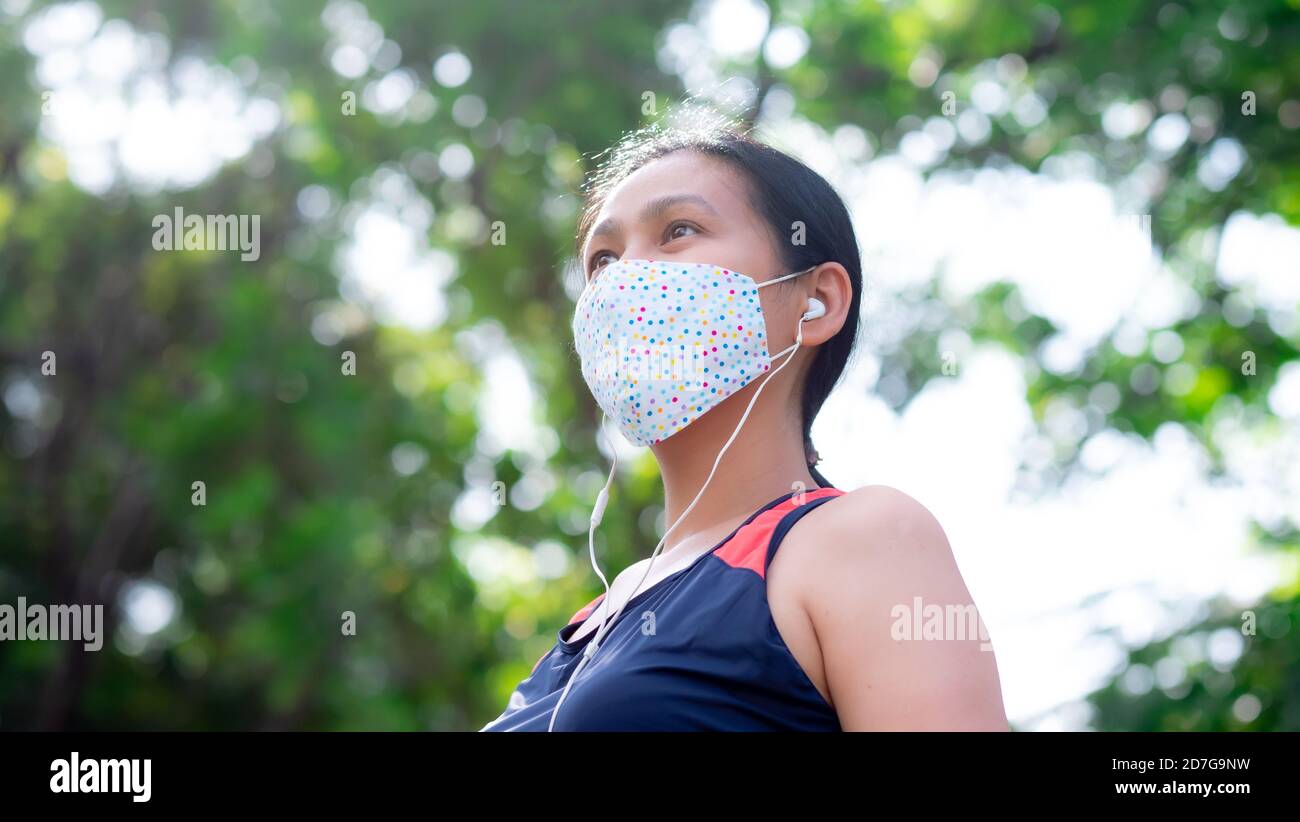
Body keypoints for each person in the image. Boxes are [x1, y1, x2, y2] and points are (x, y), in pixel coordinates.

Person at [481, 117, 1008, 731]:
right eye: (603, 259)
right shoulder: (595, 614)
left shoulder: (860, 536)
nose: (625, 277)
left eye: (678, 230)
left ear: (816, 301)